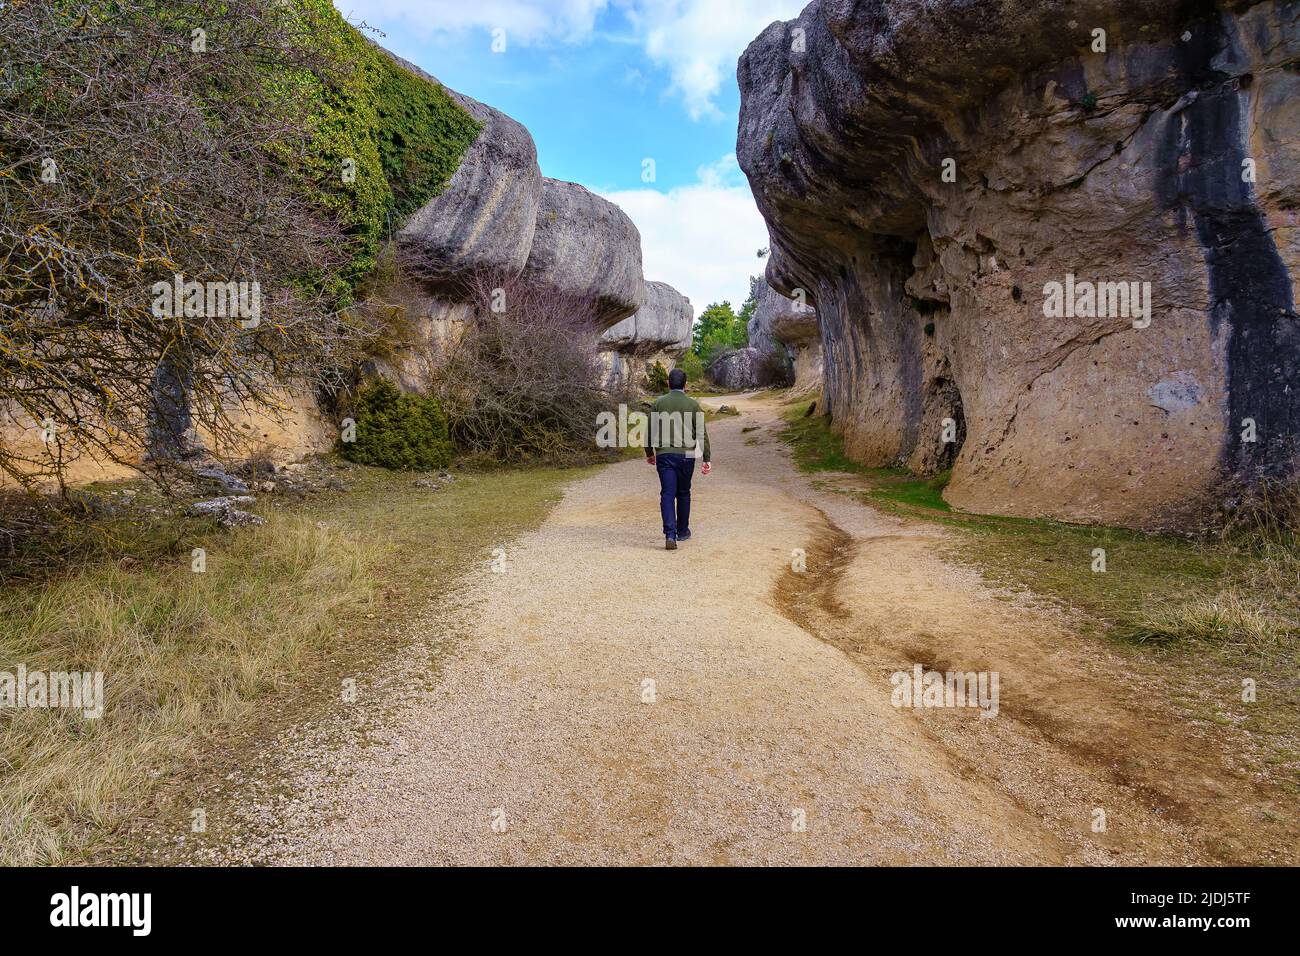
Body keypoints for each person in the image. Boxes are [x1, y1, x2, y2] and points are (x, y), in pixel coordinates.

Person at [644, 367, 711, 550]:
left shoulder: (658, 403)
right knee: (683, 492)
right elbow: (701, 434)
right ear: (686, 385)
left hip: (664, 453)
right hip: (688, 455)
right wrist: (706, 457)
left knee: (667, 493)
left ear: (668, 383)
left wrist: (650, 453)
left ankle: (670, 534)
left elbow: (650, 431)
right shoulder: (693, 405)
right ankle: (682, 531)